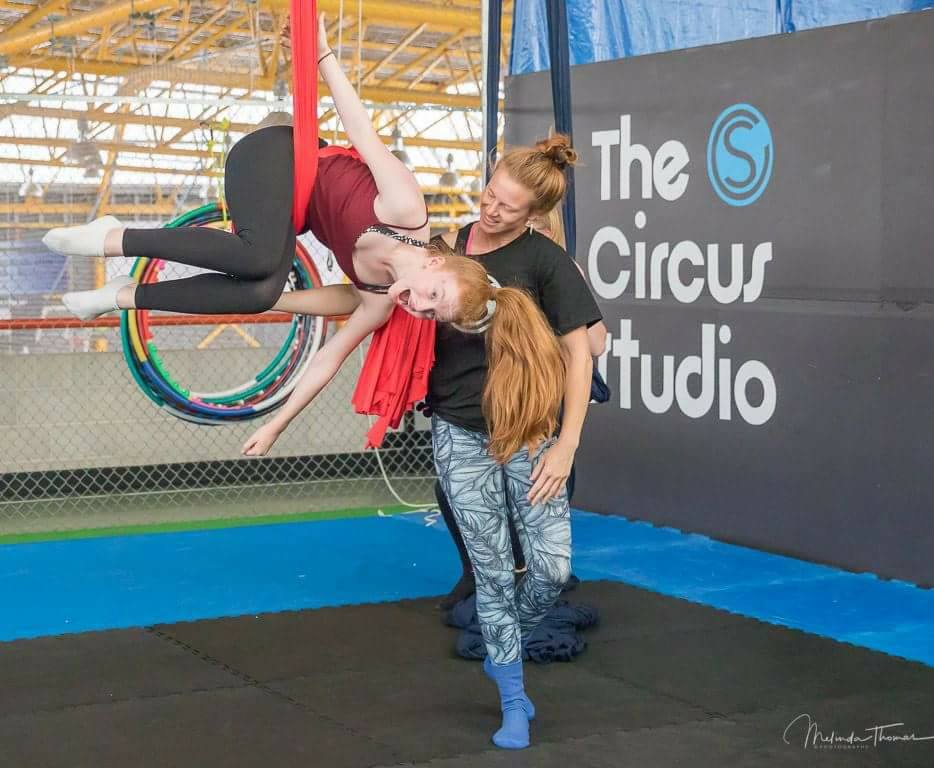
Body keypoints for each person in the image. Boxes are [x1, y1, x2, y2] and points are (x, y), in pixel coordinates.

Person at [43, 15, 568, 463]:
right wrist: (321, 55)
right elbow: (360, 129)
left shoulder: (382, 303)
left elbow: (328, 359)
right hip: (276, 154)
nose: (418, 307)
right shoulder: (405, 209)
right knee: (259, 256)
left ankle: (122, 297)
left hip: (279, 210)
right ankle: (111, 236)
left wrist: (278, 422)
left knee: (257, 288)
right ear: (436, 264)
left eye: (429, 315)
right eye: (432, 297)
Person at [428, 136, 603, 750]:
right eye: (490, 194)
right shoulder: (446, 251)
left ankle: (506, 640)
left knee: (551, 569)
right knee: (492, 572)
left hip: (530, 434)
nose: (491, 209)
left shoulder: (546, 261)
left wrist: (567, 446)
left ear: (533, 215)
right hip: (457, 430)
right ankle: (512, 696)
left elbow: (582, 355)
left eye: (507, 206)